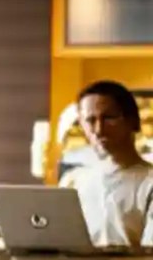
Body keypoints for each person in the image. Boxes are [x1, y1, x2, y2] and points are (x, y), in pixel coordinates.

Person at [61, 80, 153, 247]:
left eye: (109, 118)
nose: (98, 130)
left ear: (133, 121)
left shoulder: (148, 182)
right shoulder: (72, 182)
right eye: (90, 120)